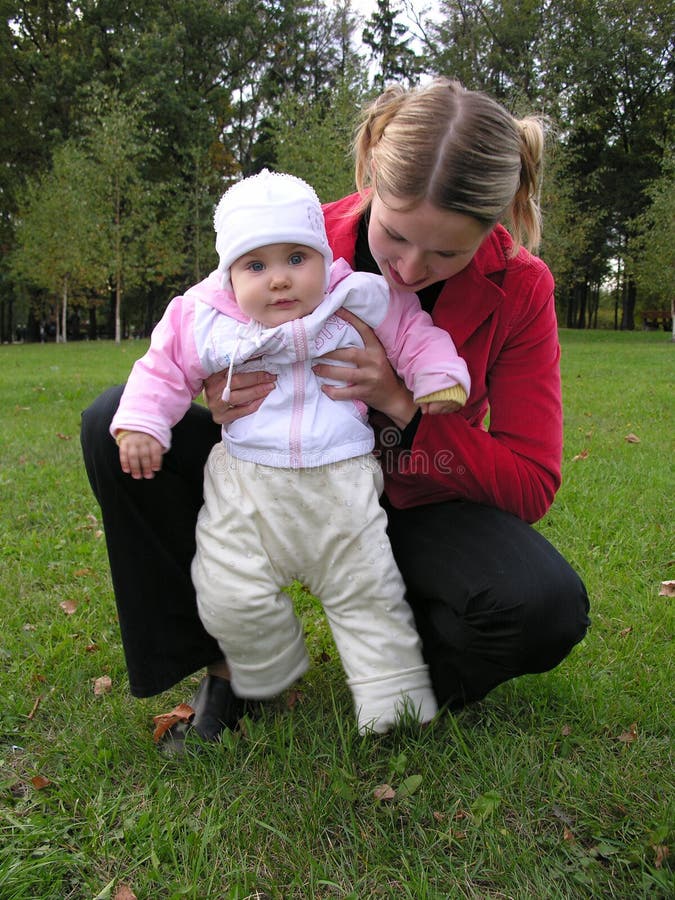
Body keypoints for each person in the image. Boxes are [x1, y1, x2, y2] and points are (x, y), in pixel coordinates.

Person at [81, 77, 590, 745]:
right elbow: (193, 331)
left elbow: (531, 482)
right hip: (266, 473)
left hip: (411, 499)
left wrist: (402, 406)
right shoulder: (290, 238)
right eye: (396, 236)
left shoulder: (521, 286)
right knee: (115, 422)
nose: (410, 269)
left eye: (448, 252)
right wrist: (219, 387)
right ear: (371, 171)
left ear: (494, 224)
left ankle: (406, 673)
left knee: (543, 607)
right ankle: (233, 667)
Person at [109, 169, 471, 735]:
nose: (279, 279)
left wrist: (438, 376)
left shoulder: (356, 294)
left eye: (297, 258)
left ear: (324, 258)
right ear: (229, 275)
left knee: (367, 595)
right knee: (228, 587)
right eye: (255, 266)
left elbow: (412, 332)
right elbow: (163, 367)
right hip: (247, 486)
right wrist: (141, 423)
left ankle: (393, 707)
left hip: (342, 485)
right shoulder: (203, 315)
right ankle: (262, 667)